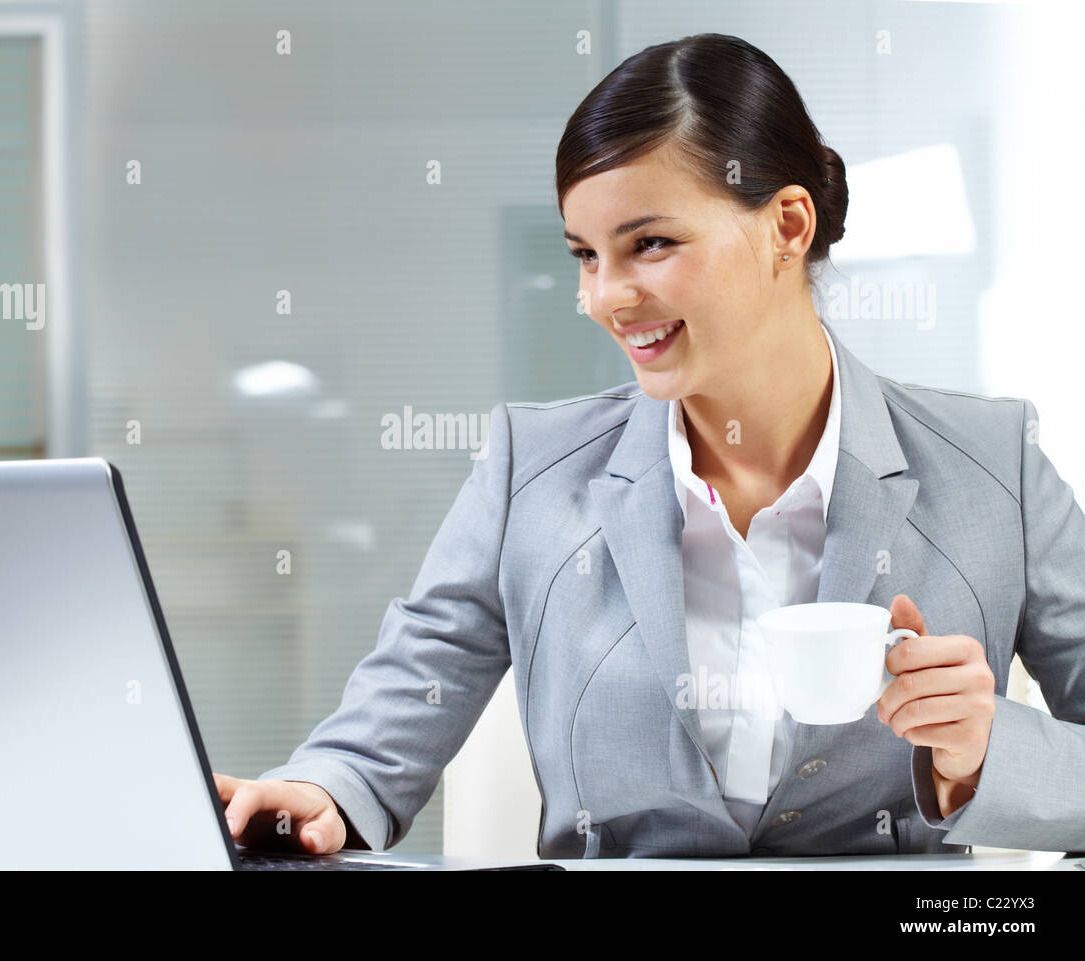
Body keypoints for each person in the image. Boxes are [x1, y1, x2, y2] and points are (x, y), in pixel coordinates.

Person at [214, 32, 1085, 859]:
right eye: (586, 255)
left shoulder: (992, 464)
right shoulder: (533, 467)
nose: (604, 296)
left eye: (651, 244)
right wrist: (323, 789)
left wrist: (984, 752)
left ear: (787, 226)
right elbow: (403, 697)